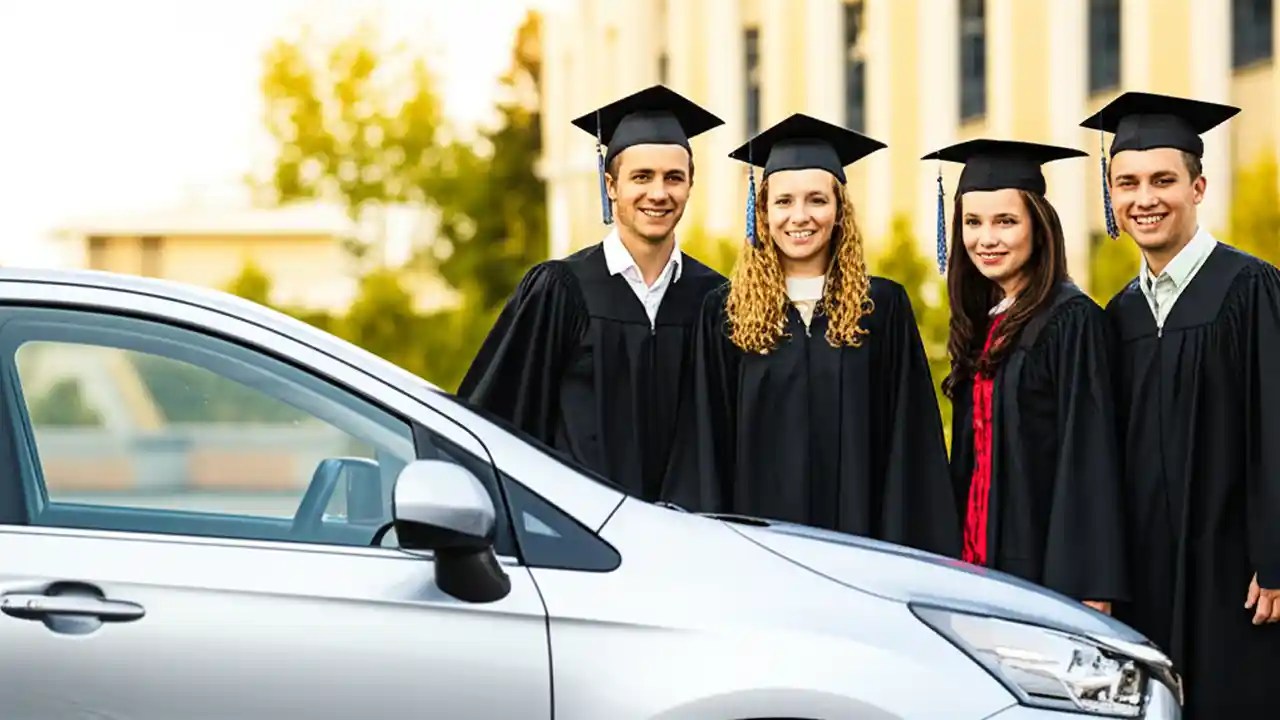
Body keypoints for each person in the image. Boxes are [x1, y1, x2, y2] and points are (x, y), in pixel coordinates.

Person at [666, 113, 959, 557]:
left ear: (840, 210)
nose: (799, 216)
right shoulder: (725, 313)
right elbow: (706, 448)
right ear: (761, 212)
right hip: (760, 562)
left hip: (864, 560)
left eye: (817, 200)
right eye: (783, 201)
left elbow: (910, 448)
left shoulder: (880, 309)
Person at [1080, 90, 1280, 717]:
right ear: (1111, 196)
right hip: (1147, 578)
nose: (1145, 199)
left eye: (1163, 180)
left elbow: (1276, 424)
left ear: (1198, 187)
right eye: (1127, 183)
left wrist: (1276, 557)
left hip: (1237, 579)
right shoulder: (1118, 315)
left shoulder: (1250, 287)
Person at [458, 85, 727, 501]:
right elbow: (495, 419)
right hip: (584, 543)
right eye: (641, 177)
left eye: (673, 177)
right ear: (611, 185)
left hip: (689, 545)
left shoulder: (715, 301)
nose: (659, 193)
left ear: (690, 184)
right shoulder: (560, 292)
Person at [924, 139, 1128, 613]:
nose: (986, 238)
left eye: (1006, 221)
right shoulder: (982, 324)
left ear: (1039, 225)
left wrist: (1091, 588)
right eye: (972, 222)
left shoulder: (1072, 320)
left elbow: (1090, 457)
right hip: (978, 566)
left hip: (1044, 574)